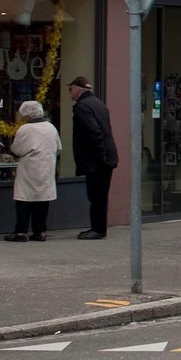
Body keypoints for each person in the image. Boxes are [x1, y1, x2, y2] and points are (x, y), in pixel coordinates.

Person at [67, 76, 118, 239]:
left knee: (96, 195)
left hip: (96, 160)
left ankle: (97, 229)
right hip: (104, 157)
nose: (70, 93)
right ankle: (98, 227)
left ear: (77, 89)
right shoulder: (98, 103)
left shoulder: (83, 106)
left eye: (70, 89)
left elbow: (94, 132)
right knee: (100, 195)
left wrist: (101, 156)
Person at [4, 100, 60, 242]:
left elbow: (16, 149)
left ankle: (21, 232)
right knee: (42, 200)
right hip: (47, 166)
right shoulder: (51, 127)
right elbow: (58, 148)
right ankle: (40, 231)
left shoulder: (25, 129)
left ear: (26, 115)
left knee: (24, 199)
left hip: (29, 167)